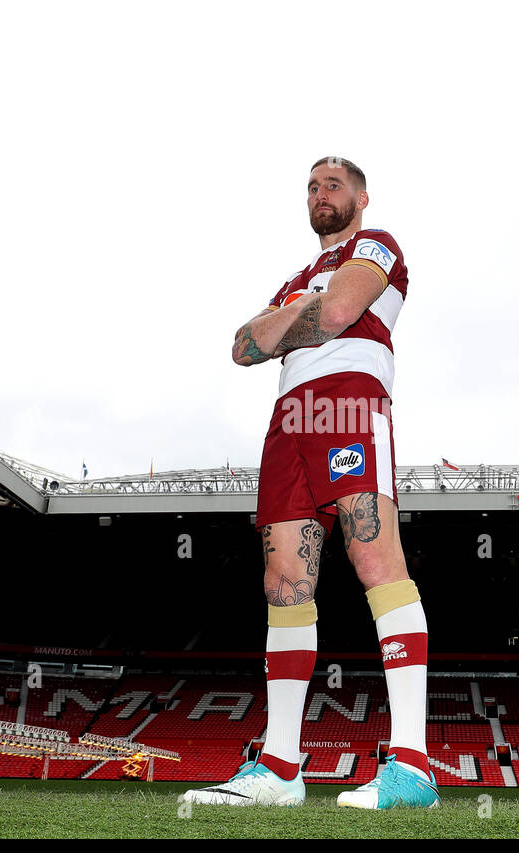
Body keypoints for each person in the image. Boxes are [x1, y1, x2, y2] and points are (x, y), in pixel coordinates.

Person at [181, 156, 436, 810]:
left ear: (361, 196)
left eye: (334, 184)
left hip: (349, 404)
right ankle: (281, 768)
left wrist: (285, 323)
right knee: (284, 582)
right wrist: (299, 314)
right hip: (287, 421)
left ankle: (412, 768)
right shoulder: (296, 278)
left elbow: (341, 311)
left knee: (374, 556)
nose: (321, 193)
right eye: (312, 186)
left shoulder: (377, 247)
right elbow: (241, 347)